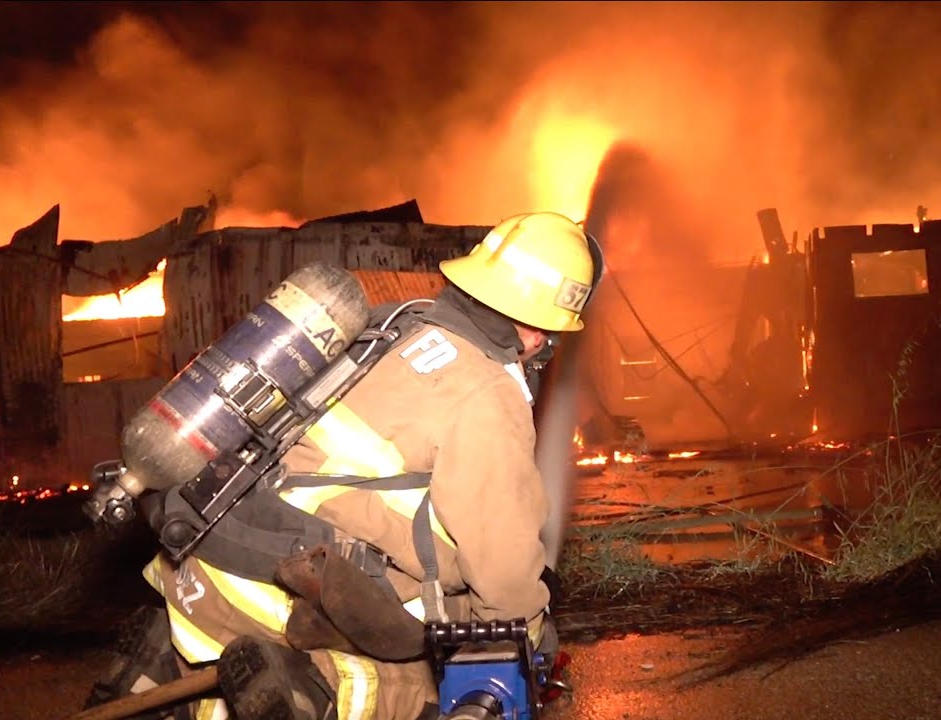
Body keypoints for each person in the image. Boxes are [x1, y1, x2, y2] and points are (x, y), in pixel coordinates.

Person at [84, 211, 601, 720]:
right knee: (424, 686)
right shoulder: (488, 390)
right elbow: (504, 564)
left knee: (220, 699)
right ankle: (310, 690)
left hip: (204, 562)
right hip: (283, 598)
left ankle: (156, 670)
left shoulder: (390, 325)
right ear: (537, 332)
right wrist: (524, 640)